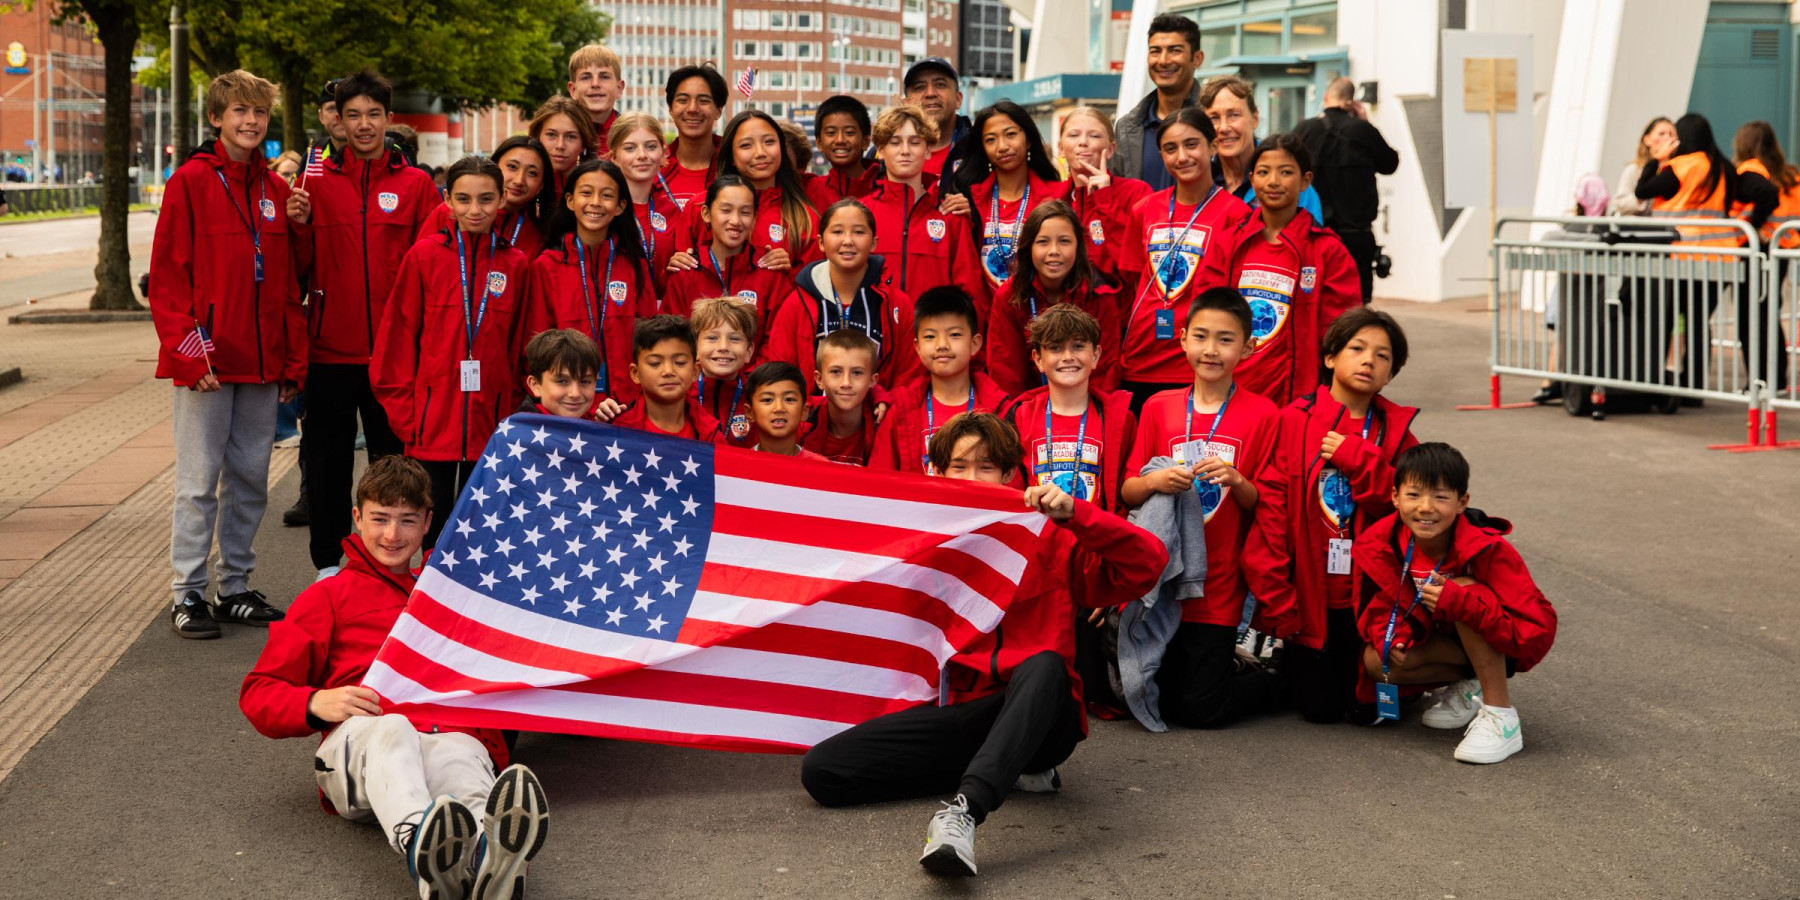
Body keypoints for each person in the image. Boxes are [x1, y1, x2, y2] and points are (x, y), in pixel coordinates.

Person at [800, 412, 1166, 878]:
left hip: (1043, 717)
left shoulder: (1052, 536)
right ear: (938, 472)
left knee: (1046, 665)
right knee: (824, 773)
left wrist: (1078, 515)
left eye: (986, 466)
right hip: (967, 715)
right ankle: (1001, 769)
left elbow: (1148, 564)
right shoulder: (926, 542)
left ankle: (963, 812)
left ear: (1010, 474)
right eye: (959, 466)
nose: (973, 478)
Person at [239, 456, 550, 898]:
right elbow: (258, 692)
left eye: (407, 520)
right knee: (393, 728)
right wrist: (313, 702)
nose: (392, 535)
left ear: (427, 522)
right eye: (380, 519)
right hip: (361, 752)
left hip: (441, 734)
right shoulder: (325, 596)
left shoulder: (446, 593)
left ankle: (485, 857)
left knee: (461, 751)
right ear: (357, 518)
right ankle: (423, 841)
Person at [151, 69, 306, 638]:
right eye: (240, 111)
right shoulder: (190, 182)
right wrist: (192, 356)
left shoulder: (278, 191)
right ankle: (186, 592)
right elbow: (168, 277)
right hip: (209, 364)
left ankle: (234, 586)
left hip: (263, 364)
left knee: (250, 479)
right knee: (197, 481)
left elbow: (289, 284)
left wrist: (293, 360)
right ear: (217, 118)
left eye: (260, 113)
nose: (251, 121)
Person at [286, 70, 440, 582]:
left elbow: (429, 268)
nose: (364, 124)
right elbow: (300, 268)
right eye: (353, 114)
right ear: (337, 120)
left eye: (374, 114)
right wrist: (299, 225)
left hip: (396, 354)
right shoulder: (313, 181)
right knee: (327, 463)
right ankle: (329, 565)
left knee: (395, 460)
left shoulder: (416, 185)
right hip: (331, 348)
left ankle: (395, 564)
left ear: (389, 119)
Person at [1245, 307, 1418, 725]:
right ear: (1329, 357)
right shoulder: (1293, 420)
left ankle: (1447, 680)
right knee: (1319, 710)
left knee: (1368, 711)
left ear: (1390, 374)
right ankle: (1272, 658)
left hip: (1369, 597)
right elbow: (1270, 515)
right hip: (1310, 597)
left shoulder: (1395, 430)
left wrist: (1357, 458)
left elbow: (1408, 506)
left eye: (1382, 356)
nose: (1368, 361)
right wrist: (1278, 601)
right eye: (1357, 349)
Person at [1122, 287, 1282, 727]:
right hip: (1168, 580)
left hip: (1221, 585)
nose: (1211, 350)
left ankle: (1277, 681)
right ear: (1183, 340)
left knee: (1199, 709)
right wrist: (1155, 481)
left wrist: (1238, 480)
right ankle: (1226, 665)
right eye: (1201, 336)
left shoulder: (1264, 414)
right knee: (1149, 693)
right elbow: (1129, 491)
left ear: (1248, 346)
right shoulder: (1157, 407)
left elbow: (1263, 503)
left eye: (1226, 339)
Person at [1354, 442, 1557, 764]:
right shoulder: (1383, 542)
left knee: (1463, 590)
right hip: (1443, 640)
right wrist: (1391, 635)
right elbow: (1378, 607)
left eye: (1440, 496)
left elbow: (1536, 629)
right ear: (1395, 497)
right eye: (1414, 494)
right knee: (1379, 662)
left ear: (1462, 502)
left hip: (1499, 640)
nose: (1425, 507)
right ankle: (1471, 685)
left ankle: (1502, 719)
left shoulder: (1488, 548)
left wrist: (1462, 603)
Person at [372, 156, 530, 549]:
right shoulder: (424, 257)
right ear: (447, 199)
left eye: (486, 199)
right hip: (430, 424)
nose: (475, 210)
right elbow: (396, 341)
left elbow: (522, 346)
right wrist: (409, 418)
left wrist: (509, 412)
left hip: (491, 428)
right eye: (463, 199)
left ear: (501, 200)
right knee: (430, 526)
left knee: (484, 530)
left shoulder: (516, 264)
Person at [1117, 106, 1253, 411]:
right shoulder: (1144, 209)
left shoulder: (1237, 214)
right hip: (1140, 360)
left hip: (1197, 362)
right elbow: (1129, 286)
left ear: (1213, 146)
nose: (1181, 156)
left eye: (1191, 144)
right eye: (1170, 148)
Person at [1224, 133, 1361, 406]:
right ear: (1252, 180)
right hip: (1233, 393)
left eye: (1285, 172)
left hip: (1300, 398)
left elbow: (1342, 333)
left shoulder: (1328, 250)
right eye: (1263, 172)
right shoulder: (1229, 242)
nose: (1273, 181)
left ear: (1305, 181)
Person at [525, 158, 657, 411]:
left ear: (620, 206)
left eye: (606, 195)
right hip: (570, 406)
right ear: (570, 200)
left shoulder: (634, 265)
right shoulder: (547, 265)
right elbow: (537, 344)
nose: (595, 203)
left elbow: (649, 339)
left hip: (626, 405)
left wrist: (637, 398)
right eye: (586, 193)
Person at [1636, 112, 1745, 393]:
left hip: (1682, 256)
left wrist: (1657, 161)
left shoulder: (1680, 166)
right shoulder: (1723, 168)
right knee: (1699, 321)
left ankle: (1661, 383)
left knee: (1670, 318)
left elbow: (1643, 190)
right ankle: (1696, 387)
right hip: (1720, 257)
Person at [765, 198, 920, 393]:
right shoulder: (797, 303)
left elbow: (908, 375)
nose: (848, 240)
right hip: (813, 419)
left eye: (859, 232)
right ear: (821, 242)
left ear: (873, 243)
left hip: (878, 420)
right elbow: (781, 372)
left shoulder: (896, 304)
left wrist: (887, 403)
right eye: (837, 232)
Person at [999, 304, 1134, 515]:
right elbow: (1009, 489)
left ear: (1096, 355)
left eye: (1078, 346)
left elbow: (1124, 493)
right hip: (1039, 539)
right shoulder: (1019, 416)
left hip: (1095, 540)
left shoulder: (1120, 418)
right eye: (1055, 348)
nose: (1068, 356)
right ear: (1038, 359)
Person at [985, 200, 1124, 396]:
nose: (1054, 251)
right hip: (1027, 411)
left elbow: (1105, 371)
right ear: (1029, 247)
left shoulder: (1099, 295)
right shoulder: (1010, 296)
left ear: (1078, 245)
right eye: (1043, 242)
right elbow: (1005, 373)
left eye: (1064, 241)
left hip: (1087, 411)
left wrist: (1092, 417)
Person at [860, 104, 987, 317]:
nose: (905, 151)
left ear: (928, 150)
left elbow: (971, 294)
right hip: (873, 344)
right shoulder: (861, 214)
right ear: (880, 151)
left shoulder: (950, 214)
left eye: (915, 142)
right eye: (894, 142)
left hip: (934, 343)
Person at [869, 286, 1011, 474]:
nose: (942, 345)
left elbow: (1011, 482)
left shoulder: (1001, 410)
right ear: (917, 347)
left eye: (954, 335)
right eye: (930, 336)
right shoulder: (901, 410)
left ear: (975, 344)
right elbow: (880, 479)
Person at [946, 101, 1070, 298]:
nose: (1002, 146)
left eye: (1011, 134)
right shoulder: (971, 201)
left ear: (1028, 140)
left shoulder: (1058, 196)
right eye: (990, 139)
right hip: (986, 321)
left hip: (1041, 316)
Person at [1292, 77, 1399, 304]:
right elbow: (1390, 164)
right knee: (1356, 302)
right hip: (1356, 235)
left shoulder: (1303, 130)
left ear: (1325, 98)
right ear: (1352, 104)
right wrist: (1366, 123)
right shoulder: (1362, 130)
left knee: (1310, 301)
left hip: (1312, 234)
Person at [662, 175, 794, 342]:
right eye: (726, 210)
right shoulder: (685, 273)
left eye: (745, 212)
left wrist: (754, 370)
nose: (736, 221)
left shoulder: (771, 274)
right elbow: (672, 339)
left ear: (754, 219)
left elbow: (778, 340)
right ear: (706, 213)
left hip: (757, 369)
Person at [1732, 120, 1797, 390]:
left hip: (1759, 249)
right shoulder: (1788, 174)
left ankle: (1759, 380)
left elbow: (1764, 199)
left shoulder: (1749, 171)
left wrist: (1753, 227)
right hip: (1782, 249)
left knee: (1752, 316)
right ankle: (1776, 377)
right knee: (1770, 313)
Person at [418, 136, 557, 261]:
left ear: (541, 185)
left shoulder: (539, 233)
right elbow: (419, 262)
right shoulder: (450, 212)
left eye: (532, 173)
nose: (519, 180)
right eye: (512, 167)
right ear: (494, 167)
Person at [1201, 77, 1323, 219]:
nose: (1223, 128)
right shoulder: (1200, 179)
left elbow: (1311, 237)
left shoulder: (1290, 178)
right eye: (1214, 118)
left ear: (1255, 119)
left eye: (1234, 115)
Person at [1057, 106, 1154, 281]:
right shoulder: (1052, 198)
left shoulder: (1137, 192)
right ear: (1061, 148)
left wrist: (1105, 200)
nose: (1083, 142)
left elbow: (1138, 266)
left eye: (1094, 135)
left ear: (1110, 149)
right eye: (1073, 135)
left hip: (1120, 305)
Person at [716, 109, 821, 269]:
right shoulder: (702, 208)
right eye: (746, 145)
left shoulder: (803, 218)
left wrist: (787, 275)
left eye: (769, 142)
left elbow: (814, 285)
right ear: (731, 156)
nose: (760, 153)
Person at [1110, 13, 1204, 190]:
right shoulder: (1127, 128)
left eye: (1175, 50)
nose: (1163, 61)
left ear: (1197, 59)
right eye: (1155, 51)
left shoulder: (1212, 120)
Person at [610, 314, 728, 441]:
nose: (668, 371)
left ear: (695, 371)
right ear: (635, 373)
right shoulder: (617, 431)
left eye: (680, 362)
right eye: (655, 363)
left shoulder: (712, 437)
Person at [609, 113, 688, 288]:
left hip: (662, 312)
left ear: (664, 152)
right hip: (616, 311)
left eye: (651, 147)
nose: (642, 155)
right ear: (614, 157)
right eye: (630, 148)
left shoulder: (672, 211)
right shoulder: (604, 208)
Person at [800, 329, 881, 465]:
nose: (846, 383)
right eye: (836, 372)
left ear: (873, 380)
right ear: (819, 379)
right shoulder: (802, 423)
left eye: (857, 373)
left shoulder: (884, 426)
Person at [688, 295, 759, 446]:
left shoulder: (759, 399)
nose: (723, 347)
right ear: (695, 348)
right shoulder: (678, 396)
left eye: (734, 339)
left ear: (749, 351)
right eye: (712, 338)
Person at [662, 65, 728, 211]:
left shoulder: (735, 166)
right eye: (682, 100)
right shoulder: (654, 169)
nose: (692, 109)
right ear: (671, 109)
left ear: (718, 111)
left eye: (703, 101)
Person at [901, 57, 970, 178]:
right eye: (920, 87)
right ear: (906, 104)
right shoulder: (883, 154)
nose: (930, 93)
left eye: (940, 85)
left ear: (958, 100)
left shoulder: (981, 150)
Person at [806, 95, 880, 205]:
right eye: (831, 133)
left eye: (849, 132)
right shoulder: (808, 191)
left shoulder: (886, 187)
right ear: (819, 143)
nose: (840, 140)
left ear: (865, 141)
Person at [746, 362, 828, 460]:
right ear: (750, 413)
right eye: (767, 400)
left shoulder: (821, 467)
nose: (779, 408)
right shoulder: (738, 467)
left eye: (789, 399)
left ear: (804, 411)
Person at [520, 328, 602, 419]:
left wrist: (608, 423)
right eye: (562, 381)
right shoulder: (518, 431)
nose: (575, 394)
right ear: (535, 385)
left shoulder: (598, 424)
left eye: (585, 381)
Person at [528, 97, 595, 199]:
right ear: (537, 137)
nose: (560, 146)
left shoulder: (599, 182)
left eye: (571, 136)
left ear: (584, 143)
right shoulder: (521, 180)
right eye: (551, 135)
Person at [567, 43, 624, 156]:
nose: (595, 84)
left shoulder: (634, 136)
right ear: (573, 90)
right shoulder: (560, 137)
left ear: (619, 88)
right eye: (586, 77)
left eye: (604, 77)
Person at [1612, 117, 1673, 217]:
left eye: (1671, 134)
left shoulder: (1673, 171)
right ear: (1647, 140)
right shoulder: (1634, 170)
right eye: (1661, 134)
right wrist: (1642, 195)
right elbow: (1621, 204)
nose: (1667, 138)